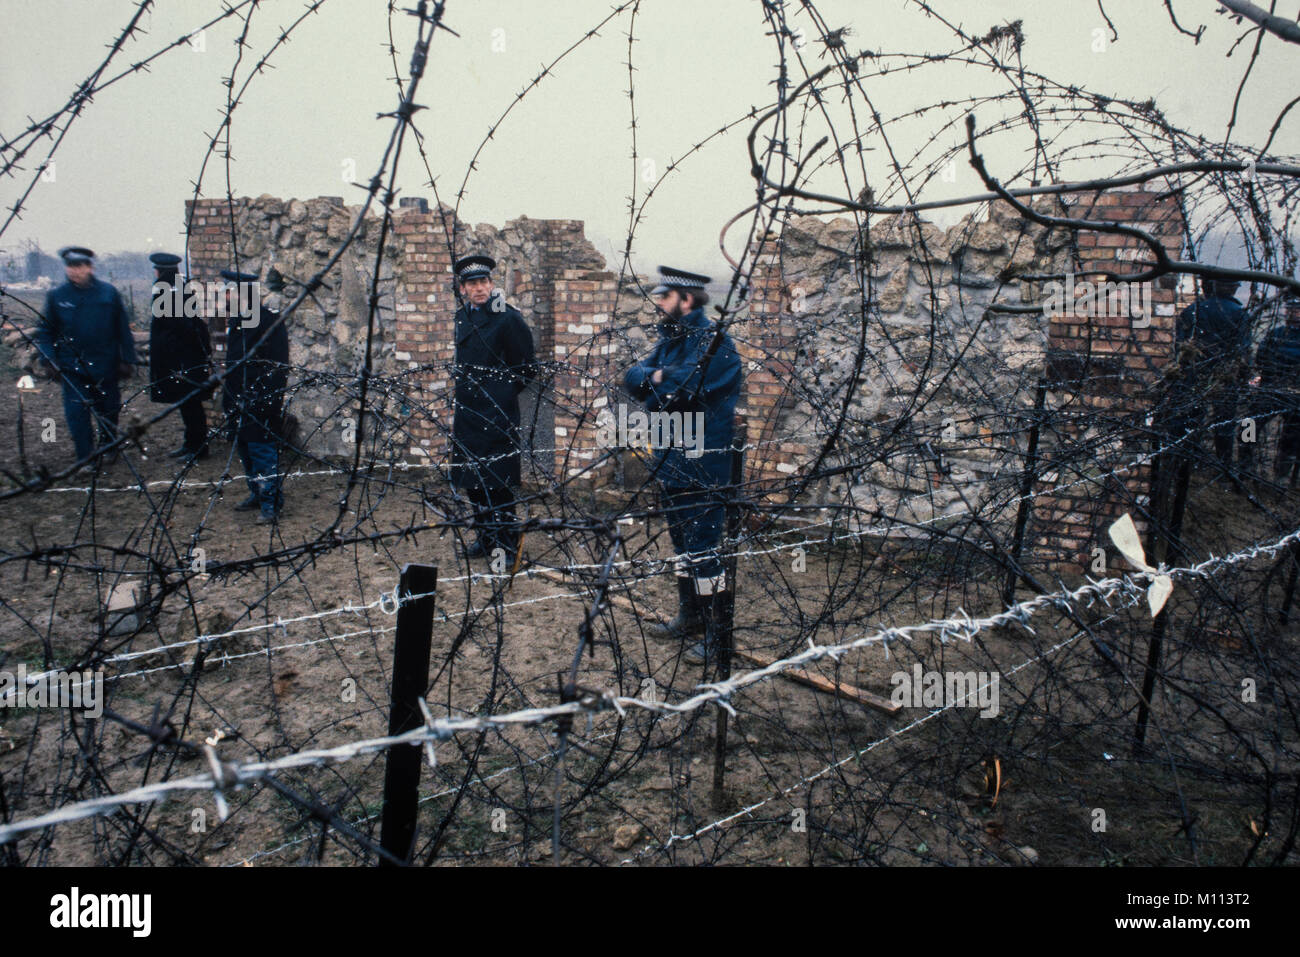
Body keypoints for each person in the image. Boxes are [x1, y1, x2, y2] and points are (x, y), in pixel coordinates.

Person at [625, 266, 743, 665]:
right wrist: (658, 378)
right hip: (672, 461)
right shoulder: (670, 341)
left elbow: (684, 394)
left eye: (665, 297)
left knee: (705, 550)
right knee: (681, 547)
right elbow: (632, 380)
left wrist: (657, 382)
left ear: (686, 299)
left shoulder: (715, 344)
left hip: (703, 465)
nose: (659, 303)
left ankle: (716, 634)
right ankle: (689, 617)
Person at [449, 254, 537, 561]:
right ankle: (485, 538)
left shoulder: (507, 318)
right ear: (463, 289)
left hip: (496, 414)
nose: (479, 288)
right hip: (468, 414)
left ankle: (507, 544)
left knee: (498, 482)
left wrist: (499, 393)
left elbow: (527, 368)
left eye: (484, 282)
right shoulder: (463, 317)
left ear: (491, 284)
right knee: (473, 481)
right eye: (472, 283)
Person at [32, 246, 138, 465]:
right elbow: (46, 331)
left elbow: (122, 330)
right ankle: (86, 457)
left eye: (79, 266)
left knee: (108, 410)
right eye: (70, 266)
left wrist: (127, 359)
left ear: (90, 267)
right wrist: (49, 359)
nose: (74, 271)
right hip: (72, 368)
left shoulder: (108, 293)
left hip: (105, 365)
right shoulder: (57, 296)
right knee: (77, 414)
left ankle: (109, 447)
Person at [221, 269, 288, 524]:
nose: (226, 297)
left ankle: (271, 504)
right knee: (246, 450)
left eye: (229, 292)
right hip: (237, 398)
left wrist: (264, 399)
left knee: (263, 451)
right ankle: (256, 494)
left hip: (260, 401)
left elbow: (279, 366)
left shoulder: (269, 321)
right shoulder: (238, 321)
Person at [1173, 277, 1250, 469]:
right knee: (1224, 421)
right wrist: (1243, 377)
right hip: (1225, 375)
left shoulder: (1193, 310)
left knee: (1191, 416)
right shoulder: (1238, 313)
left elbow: (1180, 344)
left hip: (1194, 372)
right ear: (1231, 289)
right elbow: (1243, 349)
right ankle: (1223, 466)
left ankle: (1187, 459)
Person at [147, 252, 212, 460]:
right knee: (186, 404)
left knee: (190, 404)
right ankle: (191, 444)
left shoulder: (168, 291)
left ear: (159, 271)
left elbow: (182, 327)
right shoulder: (177, 289)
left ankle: (198, 448)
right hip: (182, 358)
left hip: (182, 359)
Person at [1246, 296, 1300, 481]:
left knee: (1292, 437)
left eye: (1296, 310)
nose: (1291, 313)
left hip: (1294, 395)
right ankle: (1245, 467)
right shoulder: (1276, 333)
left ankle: (1281, 478)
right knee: (1249, 424)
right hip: (1270, 390)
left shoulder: (1277, 334)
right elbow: (1262, 357)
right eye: (1289, 309)